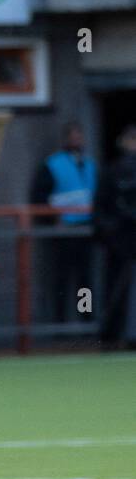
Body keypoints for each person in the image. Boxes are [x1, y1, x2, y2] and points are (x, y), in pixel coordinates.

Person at [32, 122, 97, 325]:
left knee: (84, 279)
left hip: (85, 229)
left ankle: (85, 319)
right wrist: (52, 218)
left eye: (80, 136)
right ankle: (60, 322)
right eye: (73, 136)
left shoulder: (90, 164)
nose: (77, 140)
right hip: (63, 229)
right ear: (66, 139)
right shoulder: (53, 164)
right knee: (62, 278)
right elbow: (39, 196)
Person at [95, 123, 136, 347]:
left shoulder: (112, 170)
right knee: (116, 289)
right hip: (121, 241)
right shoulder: (113, 170)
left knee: (118, 289)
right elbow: (103, 207)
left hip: (119, 239)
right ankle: (112, 336)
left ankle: (113, 336)